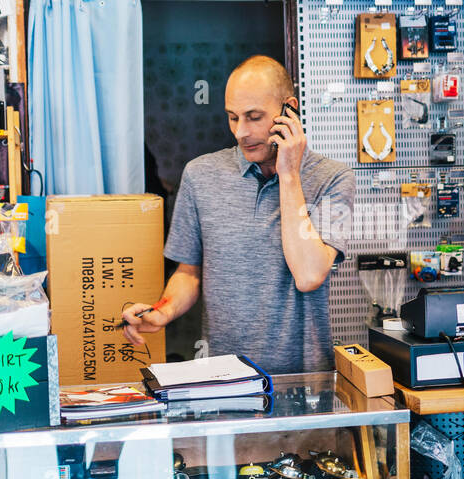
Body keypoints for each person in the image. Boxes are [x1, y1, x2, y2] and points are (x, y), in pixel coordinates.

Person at [122, 55, 355, 376]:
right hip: (223, 380)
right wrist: (163, 312)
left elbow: (309, 275)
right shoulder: (200, 175)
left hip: (306, 384)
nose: (241, 132)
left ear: (290, 109)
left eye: (254, 117)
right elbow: (189, 273)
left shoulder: (333, 178)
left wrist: (289, 175)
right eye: (233, 118)